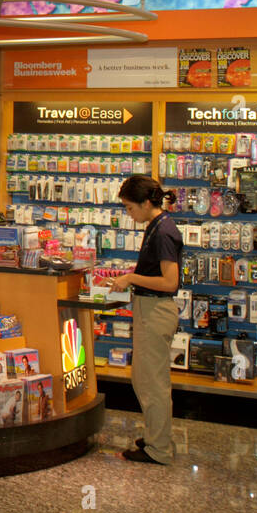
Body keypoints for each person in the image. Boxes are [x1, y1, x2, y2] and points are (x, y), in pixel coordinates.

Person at [111, 175, 181, 465]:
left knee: (152, 384)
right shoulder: (157, 225)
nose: (129, 214)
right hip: (149, 309)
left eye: (129, 207)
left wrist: (130, 278)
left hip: (156, 311)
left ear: (144, 203)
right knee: (146, 380)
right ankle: (157, 437)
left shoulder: (163, 231)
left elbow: (169, 282)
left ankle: (159, 450)